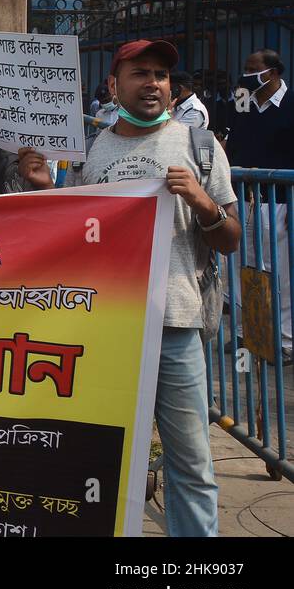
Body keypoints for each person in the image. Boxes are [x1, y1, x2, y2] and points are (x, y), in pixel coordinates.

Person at [17, 39, 240, 537]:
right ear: (114, 85)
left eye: (161, 75)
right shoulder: (92, 150)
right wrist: (45, 191)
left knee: (191, 462)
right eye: (141, 74)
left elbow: (230, 238)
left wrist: (204, 204)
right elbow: (79, 231)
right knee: (100, 454)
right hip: (108, 331)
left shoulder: (200, 146)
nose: (153, 84)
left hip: (175, 327)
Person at [223, 49, 294, 362]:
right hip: (243, 195)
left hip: (277, 198)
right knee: (240, 267)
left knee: (278, 271)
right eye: (245, 68)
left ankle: (284, 338)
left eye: (253, 69)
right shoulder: (243, 98)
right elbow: (233, 137)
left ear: (273, 72)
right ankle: (247, 333)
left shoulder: (290, 104)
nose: (246, 75)